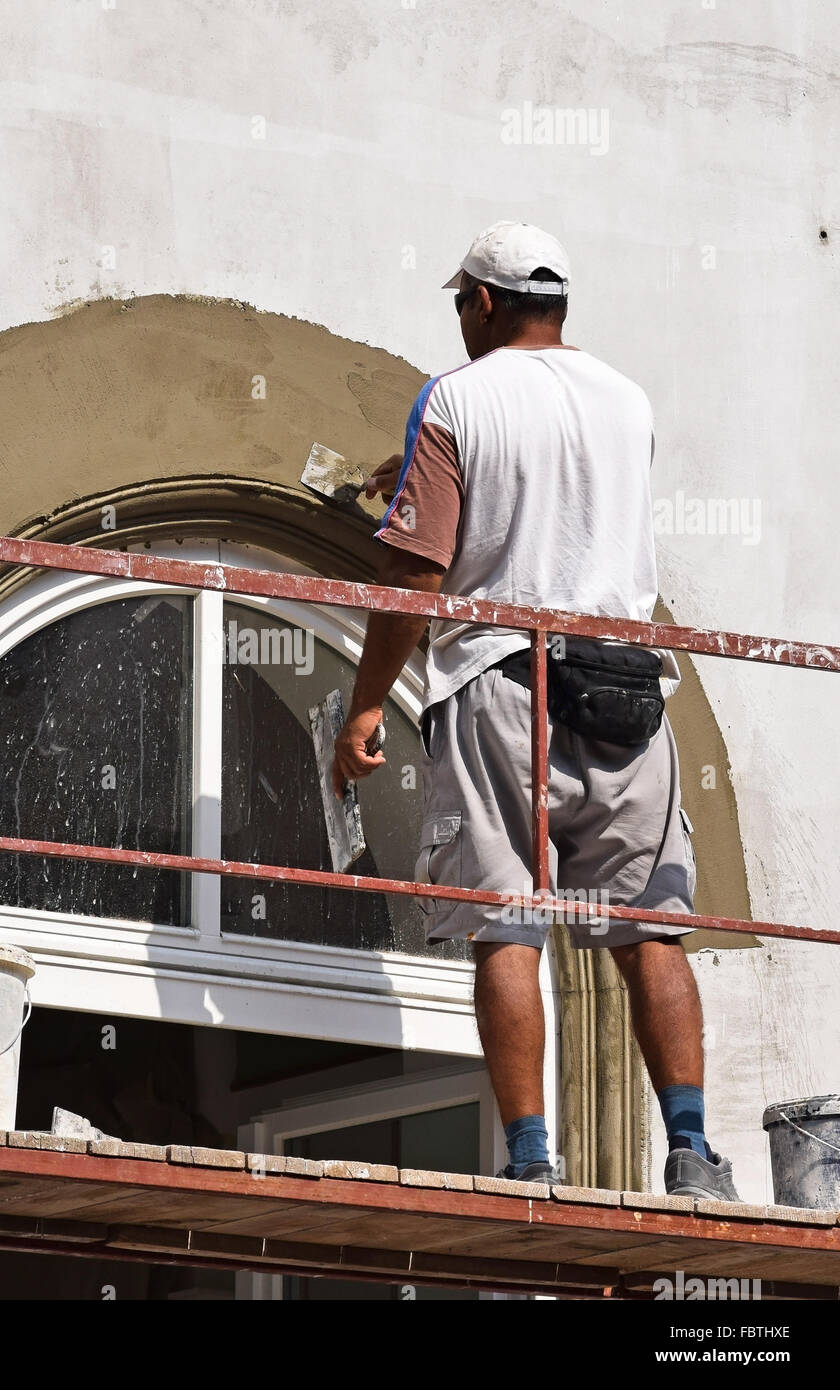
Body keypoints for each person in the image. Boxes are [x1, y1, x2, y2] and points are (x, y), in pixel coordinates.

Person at [332, 220, 739, 1200]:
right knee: (648, 925)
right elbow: (560, 505)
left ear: (479, 300)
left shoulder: (455, 397)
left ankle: (526, 1158)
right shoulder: (624, 398)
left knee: (505, 920)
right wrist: (430, 485)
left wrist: (364, 706)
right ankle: (690, 1152)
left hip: (505, 678)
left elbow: (413, 578)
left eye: (456, 304)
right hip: (627, 689)